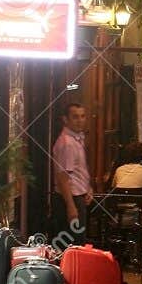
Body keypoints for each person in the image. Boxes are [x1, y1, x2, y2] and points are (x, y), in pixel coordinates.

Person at [51, 103, 93, 243]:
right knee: (72, 244)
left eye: (82, 116)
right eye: (75, 117)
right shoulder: (67, 143)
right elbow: (63, 177)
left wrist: (88, 189)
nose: (80, 120)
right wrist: (70, 206)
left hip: (77, 197)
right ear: (65, 119)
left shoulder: (77, 139)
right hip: (69, 199)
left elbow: (79, 171)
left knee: (78, 241)